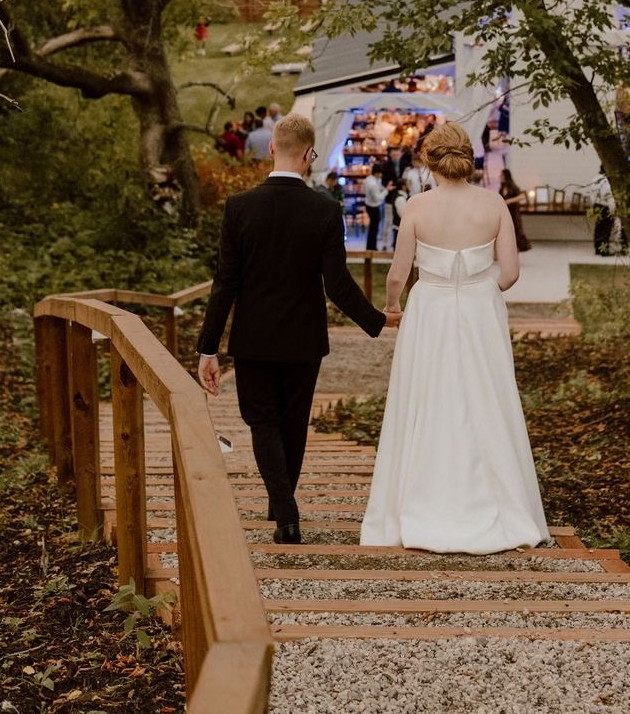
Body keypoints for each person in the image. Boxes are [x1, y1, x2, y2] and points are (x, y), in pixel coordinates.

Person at [197, 114, 393, 543]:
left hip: (254, 339)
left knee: (262, 423)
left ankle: (284, 510)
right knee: (293, 423)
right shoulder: (325, 209)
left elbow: (225, 282)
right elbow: (337, 285)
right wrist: (379, 321)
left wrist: (207, 348)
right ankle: (283, 505)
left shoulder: (239, 207)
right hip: (304, 340)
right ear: (308, 156)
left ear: (271, 148)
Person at [360, 121, 548, 552]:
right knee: (487, 396)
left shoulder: (417, 207)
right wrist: (480, 292)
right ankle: (501, 503)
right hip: (481, 312)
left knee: (427, 396)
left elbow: (397, 274)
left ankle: (419, 500)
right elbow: (511, 272)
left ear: (428, 160)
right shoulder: (493, 204)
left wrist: (394, 307)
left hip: (430, 310)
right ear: (468, 158)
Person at [499, 168, 531, 253]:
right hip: (506, 213)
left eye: (502, 175)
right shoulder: (502, 188)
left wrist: (509, 201)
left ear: (506, 176)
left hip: (514, 213)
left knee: (516, 231)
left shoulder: (512, 186)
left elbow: (522, 196)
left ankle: (516, 250)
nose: (500, 177)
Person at [363, 163, 386, 252]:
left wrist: (385, 188)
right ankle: (372, 247)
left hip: (369, 204)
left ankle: (371, 246)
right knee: (374, 229)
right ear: (376, 173)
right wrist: (387, 191)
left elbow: (379, 187)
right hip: (373, 207)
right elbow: (378, 198)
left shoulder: (369, 179)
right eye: (381, 173)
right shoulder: (373, 183)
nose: (382, 175)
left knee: (373, 228)